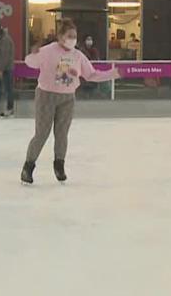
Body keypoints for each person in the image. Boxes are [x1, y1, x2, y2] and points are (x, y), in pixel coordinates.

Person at [20, 19, 120, 185]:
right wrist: (33, 53)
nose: (73, 39)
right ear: (60, 36)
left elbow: (91, 74)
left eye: (75, 36)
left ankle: (59, 165)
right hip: (46, 95)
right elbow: (30, 62)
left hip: (67, 98)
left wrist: (113, 74)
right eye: (69, 36)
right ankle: (28, 167)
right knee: (42, 133)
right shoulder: (48, 50)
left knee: (61, 134)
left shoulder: (78, 55)